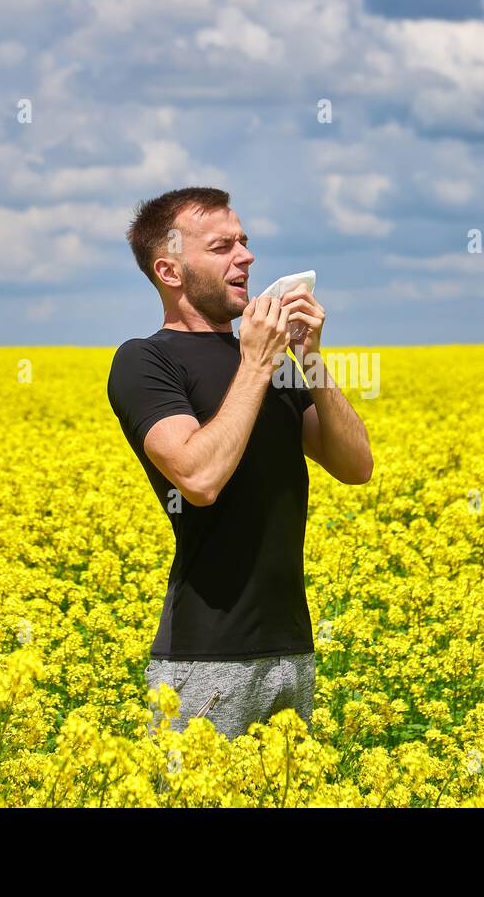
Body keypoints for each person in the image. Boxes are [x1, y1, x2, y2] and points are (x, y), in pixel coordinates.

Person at [107, 187, 373, 742]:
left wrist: (310, 359)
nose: (246, 257)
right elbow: (199, 479)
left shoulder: (270, 361)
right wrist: (255, 363)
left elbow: (355, 465)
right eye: (222, 246)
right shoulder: (145, 361)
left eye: (245, 243)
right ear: (170, 271)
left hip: (291, 647)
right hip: (206, 659)